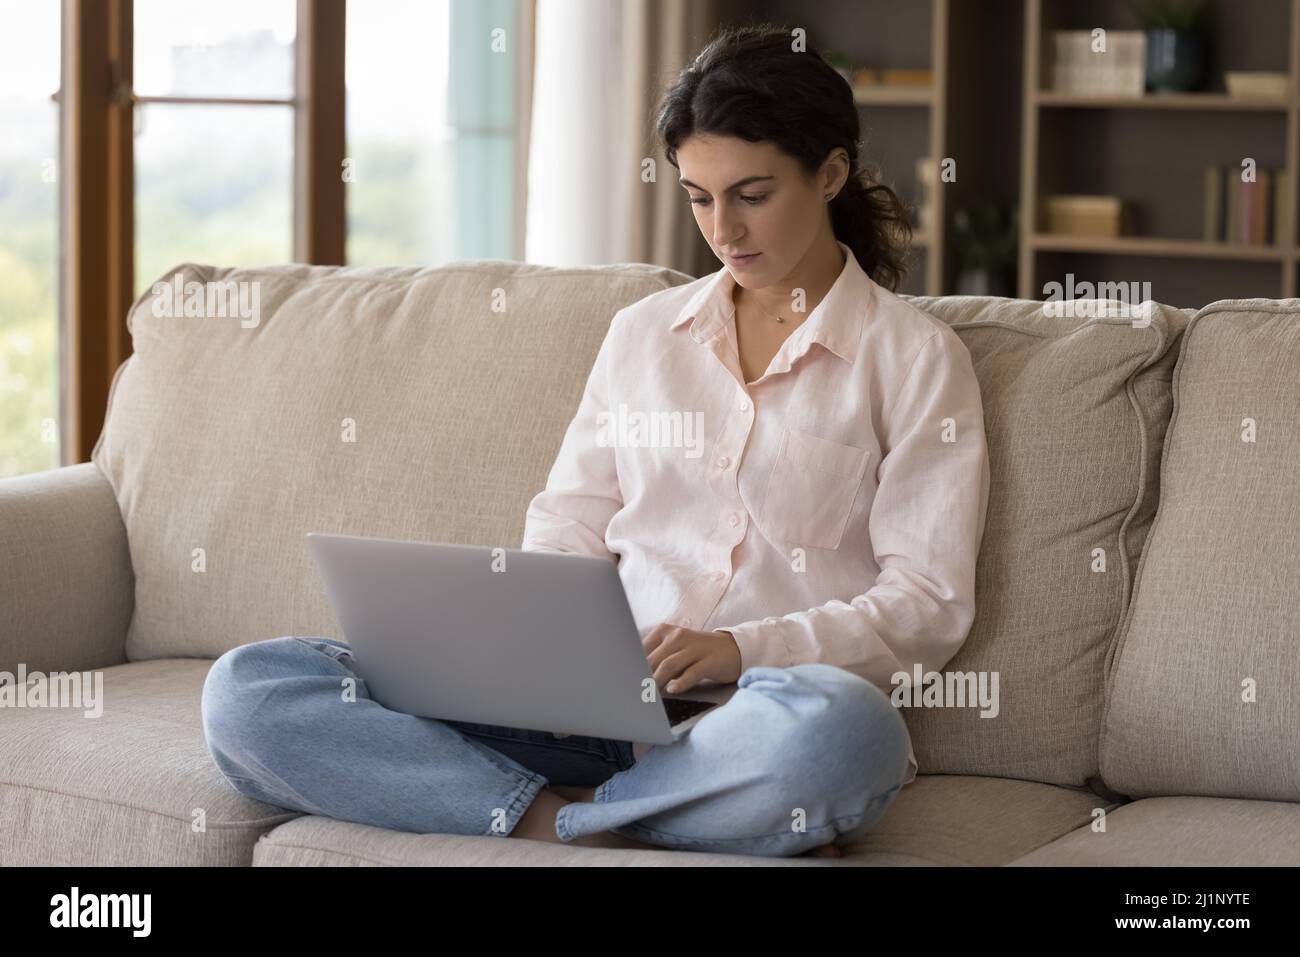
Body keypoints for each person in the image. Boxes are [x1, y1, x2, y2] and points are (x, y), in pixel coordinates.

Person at [200, 23, 990, 860]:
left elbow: (928, 605)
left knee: (846, 735)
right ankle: (595, 820)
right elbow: (570, 526)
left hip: (759, 720)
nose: (723, 228)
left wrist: (738, 648)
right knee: (251, 689)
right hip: (586, 714)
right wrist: (534, 650)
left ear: (830, 173)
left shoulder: (915, 360)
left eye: (752, 194)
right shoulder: (643, 336)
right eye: (698, 196)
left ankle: (549, 813)